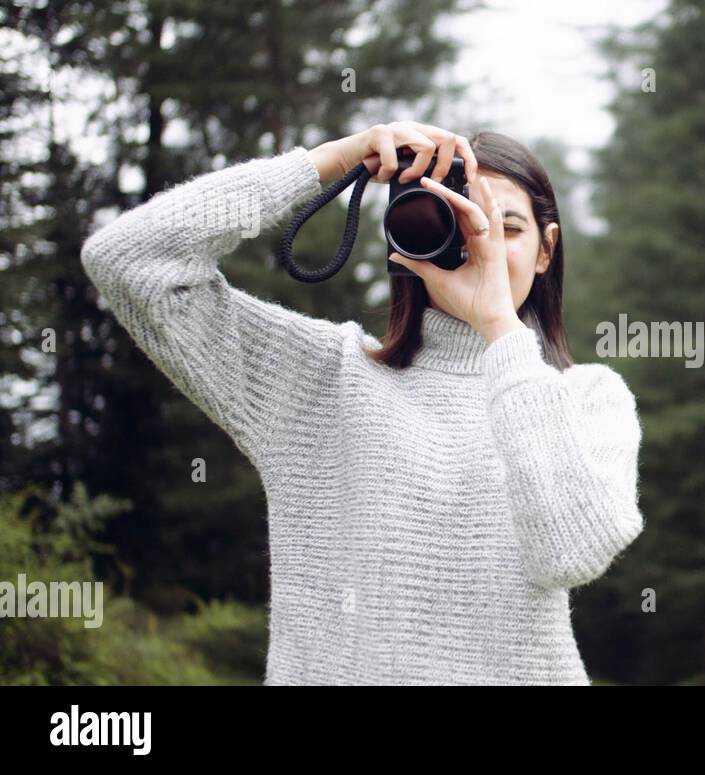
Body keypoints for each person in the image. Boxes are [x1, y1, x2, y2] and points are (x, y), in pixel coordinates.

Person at [80, 121, 645, 685]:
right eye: (460, 220)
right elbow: (130, 261)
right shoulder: (327, 378)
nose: (482, 246)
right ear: (411, 235)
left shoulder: (587, 398)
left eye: (507, 229)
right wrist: (330, 160)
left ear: (547, 251)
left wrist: (498, 325)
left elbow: (571, 551)